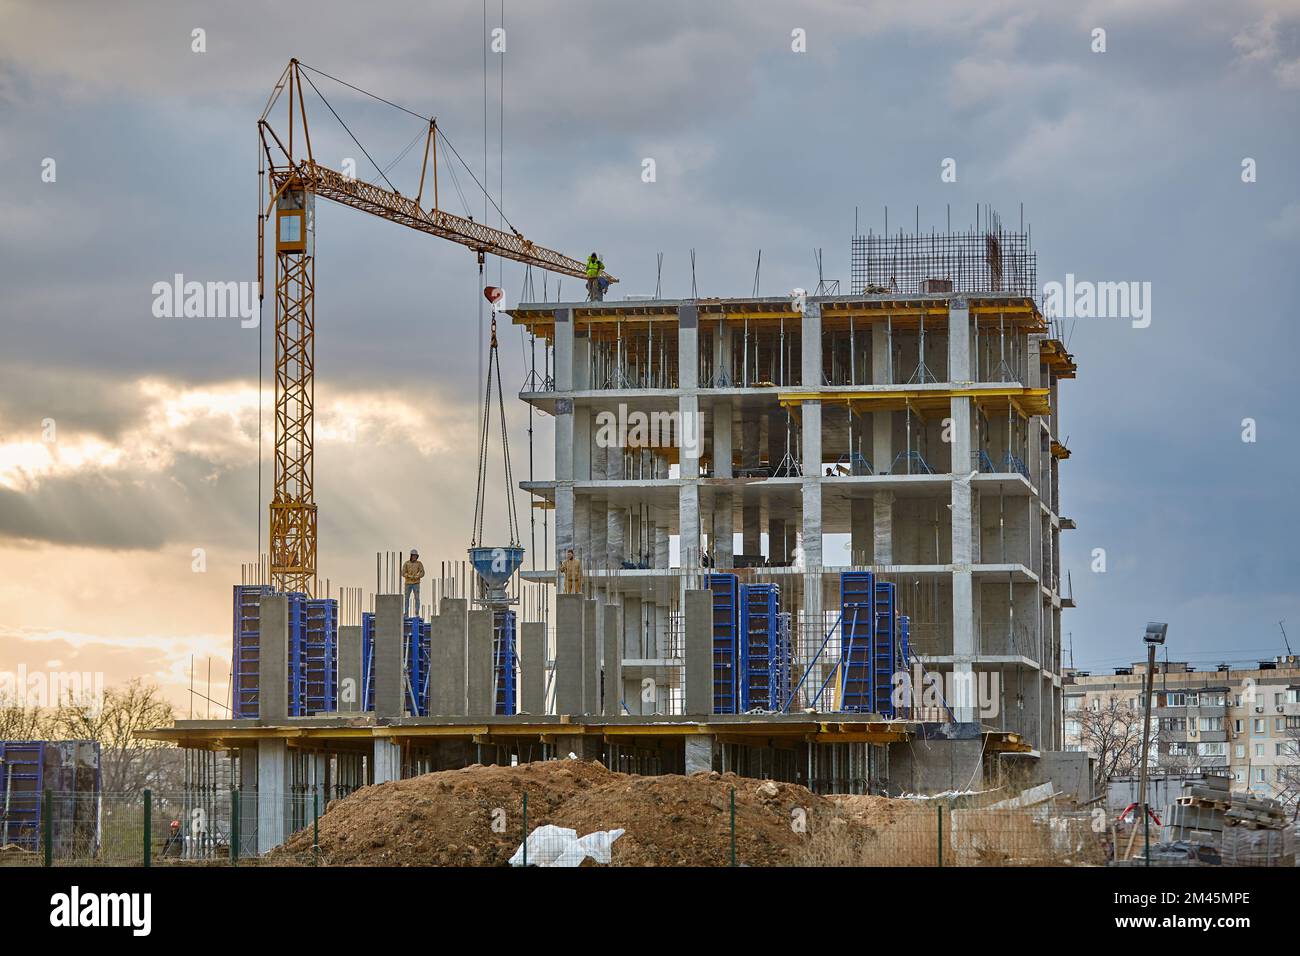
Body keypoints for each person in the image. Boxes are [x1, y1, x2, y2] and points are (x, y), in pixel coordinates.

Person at [401, 549, 425, 616]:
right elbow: (403, 572)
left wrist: (417, 576)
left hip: (416, 583)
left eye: (415, 556)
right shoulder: (406, 563)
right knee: (406, 598)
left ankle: (417, 613)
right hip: (408, 583)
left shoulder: (419, 564)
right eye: (413, 556)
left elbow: (422, 572)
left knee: (417, 598)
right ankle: (406, 613)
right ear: (411, 556)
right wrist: (409, 576)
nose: (414, 557)